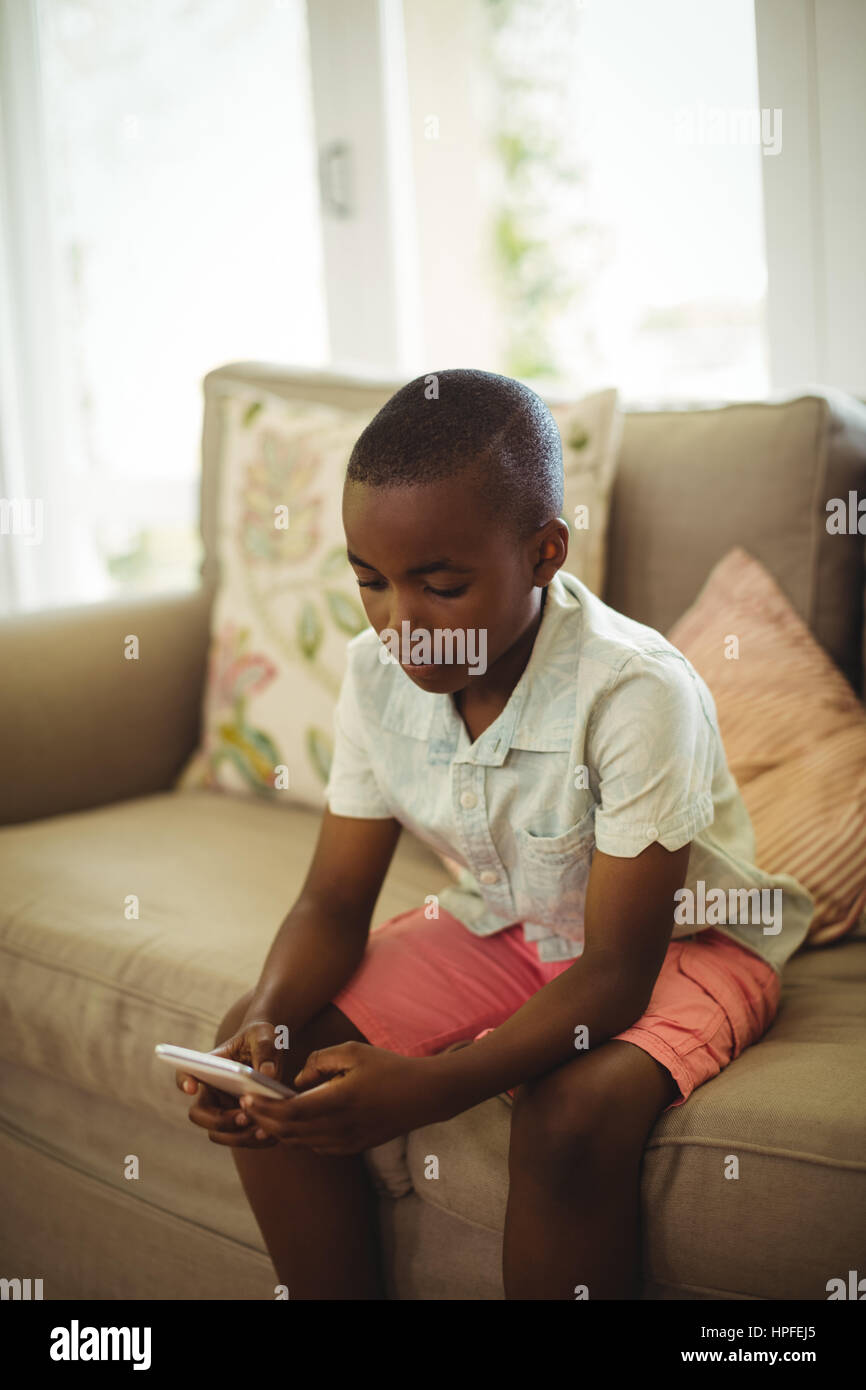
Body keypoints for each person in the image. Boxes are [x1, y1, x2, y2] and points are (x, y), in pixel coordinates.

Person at [176, 368, 813, 1300]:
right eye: (369, 582)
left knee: (570, 1113)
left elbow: (614, 974)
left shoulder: (635, 691)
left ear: (545, 552)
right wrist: (267, 1019)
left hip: (681, 942)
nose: (403, 626)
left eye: (440, 585)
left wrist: (428, 1086)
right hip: (511, 917)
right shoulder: (375, 671)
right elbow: (331, 899)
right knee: (267, 1046)